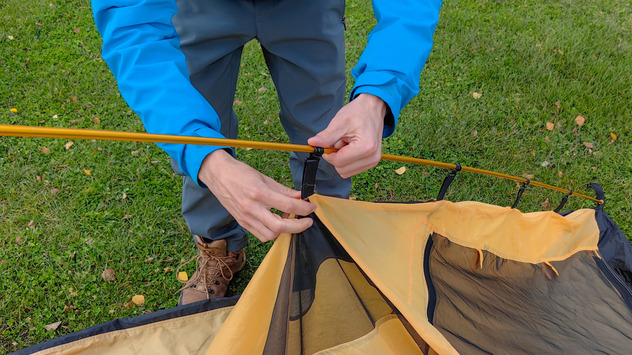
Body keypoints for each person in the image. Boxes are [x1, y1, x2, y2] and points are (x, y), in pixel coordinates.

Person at [91, 0, 442, 305]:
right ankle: (219, 247)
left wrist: (380, 92)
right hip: (198, 8)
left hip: (307, 9)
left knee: (324, 130)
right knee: (202, 132)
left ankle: (323, 237)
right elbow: (131, 19)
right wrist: (205, 158)